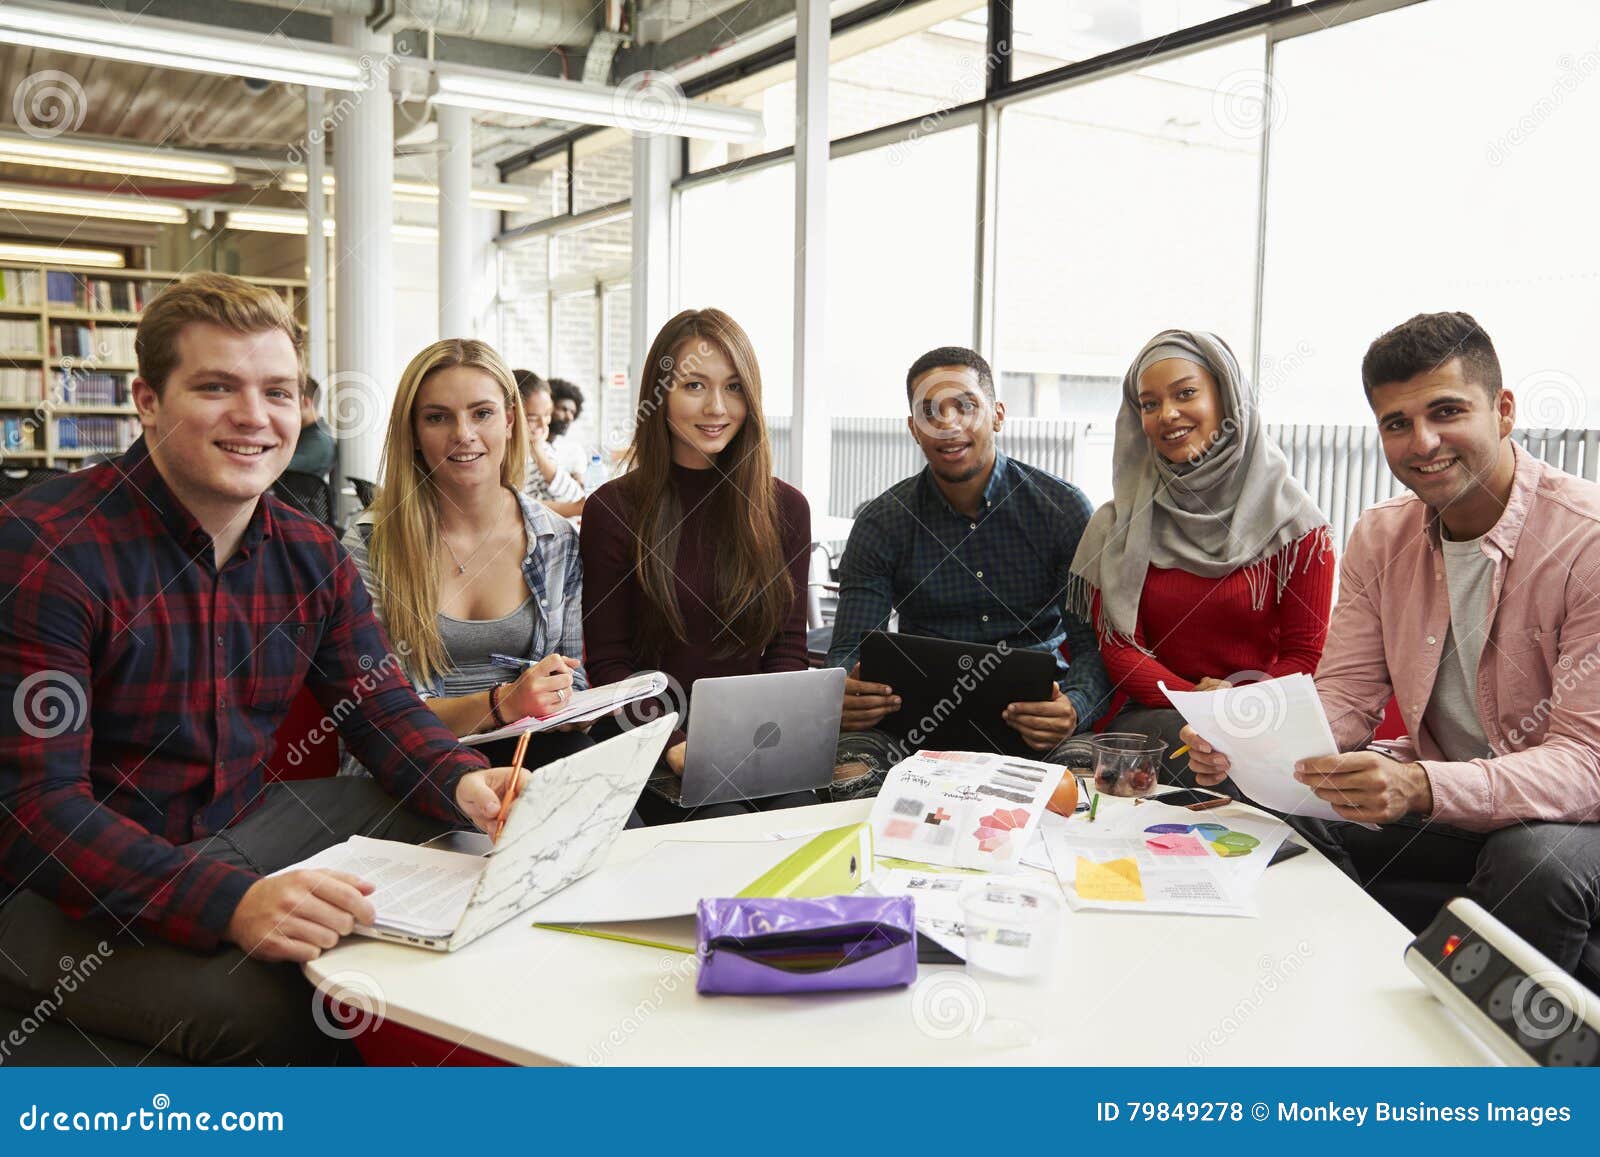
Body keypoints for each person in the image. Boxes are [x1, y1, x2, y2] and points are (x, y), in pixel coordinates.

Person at [0, 274, 526, 1065]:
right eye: (217, 387)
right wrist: (231, 904)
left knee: (457, 832)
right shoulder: (45, 544)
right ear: (147, 400)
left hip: (236, 830)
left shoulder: (309, 550)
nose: (254, 417)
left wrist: (464, 781)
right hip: (61, 885)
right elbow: (35, 813)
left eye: (278, 391)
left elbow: (379, 707)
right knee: (287, 1006)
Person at [1182, 312, 1600, 983]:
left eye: (1446, 411)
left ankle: (1477, 1057)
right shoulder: (1382, 535)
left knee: (1535, 861)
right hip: (1446, 794)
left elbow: (1584, 765)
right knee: (1264, 802)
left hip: (1572, 819)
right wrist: (1251, 740)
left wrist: (1418, 783)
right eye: (1396, 423)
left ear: (1504, 411)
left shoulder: (1586, 539)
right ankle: (1353, 980)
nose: (1422, 442)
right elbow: (1346, 699)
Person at [825, 346, 1112, 800]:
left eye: (965, 406)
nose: (950, 424)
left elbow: (1093, 647)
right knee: (847, 774)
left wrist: (1073, 707)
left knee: (1082, 788)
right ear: (913, 430)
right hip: (912, 729)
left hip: (1034, 726)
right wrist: (847, 692)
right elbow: (847, 649)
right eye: (930, 412)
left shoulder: (1063, 510)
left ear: (997, 414)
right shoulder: (882, 522)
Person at [581, 308, 815, 823]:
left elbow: (787, 648)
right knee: (723, 818)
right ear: (659, 394)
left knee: (800, 816)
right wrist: (676, 741)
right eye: (694, 385)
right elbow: (608, 665)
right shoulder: (613, 510)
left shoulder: (786, 509)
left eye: (734, 387)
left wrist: (762, 738)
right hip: (647, 738)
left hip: (756, 743)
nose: (716, 407)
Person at [1068, 330, 1334, 783]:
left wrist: (1236, 707)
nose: (1167, 415)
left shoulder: (1295, 525)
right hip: (1157, 714)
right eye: (1149, 404)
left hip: (1265, 714)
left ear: (1226, 399)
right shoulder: (1117, 523)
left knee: (1237, 755)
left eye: (1186, 393)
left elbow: (1303, 654)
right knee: (1191, 745)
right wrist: (1197, 702)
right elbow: (1120, 649)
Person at [343, 339, 589, 771]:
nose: (463, 434)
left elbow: (576, 677)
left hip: (529, 759)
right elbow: (378, 714)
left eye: (482, 413)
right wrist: (501, 703)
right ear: (414, 435)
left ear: (511, 421)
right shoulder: (371, 542)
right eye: (438, 417)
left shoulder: (555, 540)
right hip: (410, 769)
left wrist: (563, 696)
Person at [515, 369, 584, 519]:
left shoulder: (541, 447)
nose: (543, 424)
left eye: (546, 415)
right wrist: (572, 509)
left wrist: (538, 451)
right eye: (532, 418)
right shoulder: (502, 455)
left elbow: (575, 495)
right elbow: (515, 505)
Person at [285, 374, 336, 479]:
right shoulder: (307, 433)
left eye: (286, 399)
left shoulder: (319, 440)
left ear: (305, 403)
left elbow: (273, 468)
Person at [548, 377, 593, 492]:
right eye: (563, 409)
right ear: (548, 407)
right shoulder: (528, 447)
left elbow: (579, 490)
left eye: (573, 412)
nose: (569, 417)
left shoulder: (574, 451)